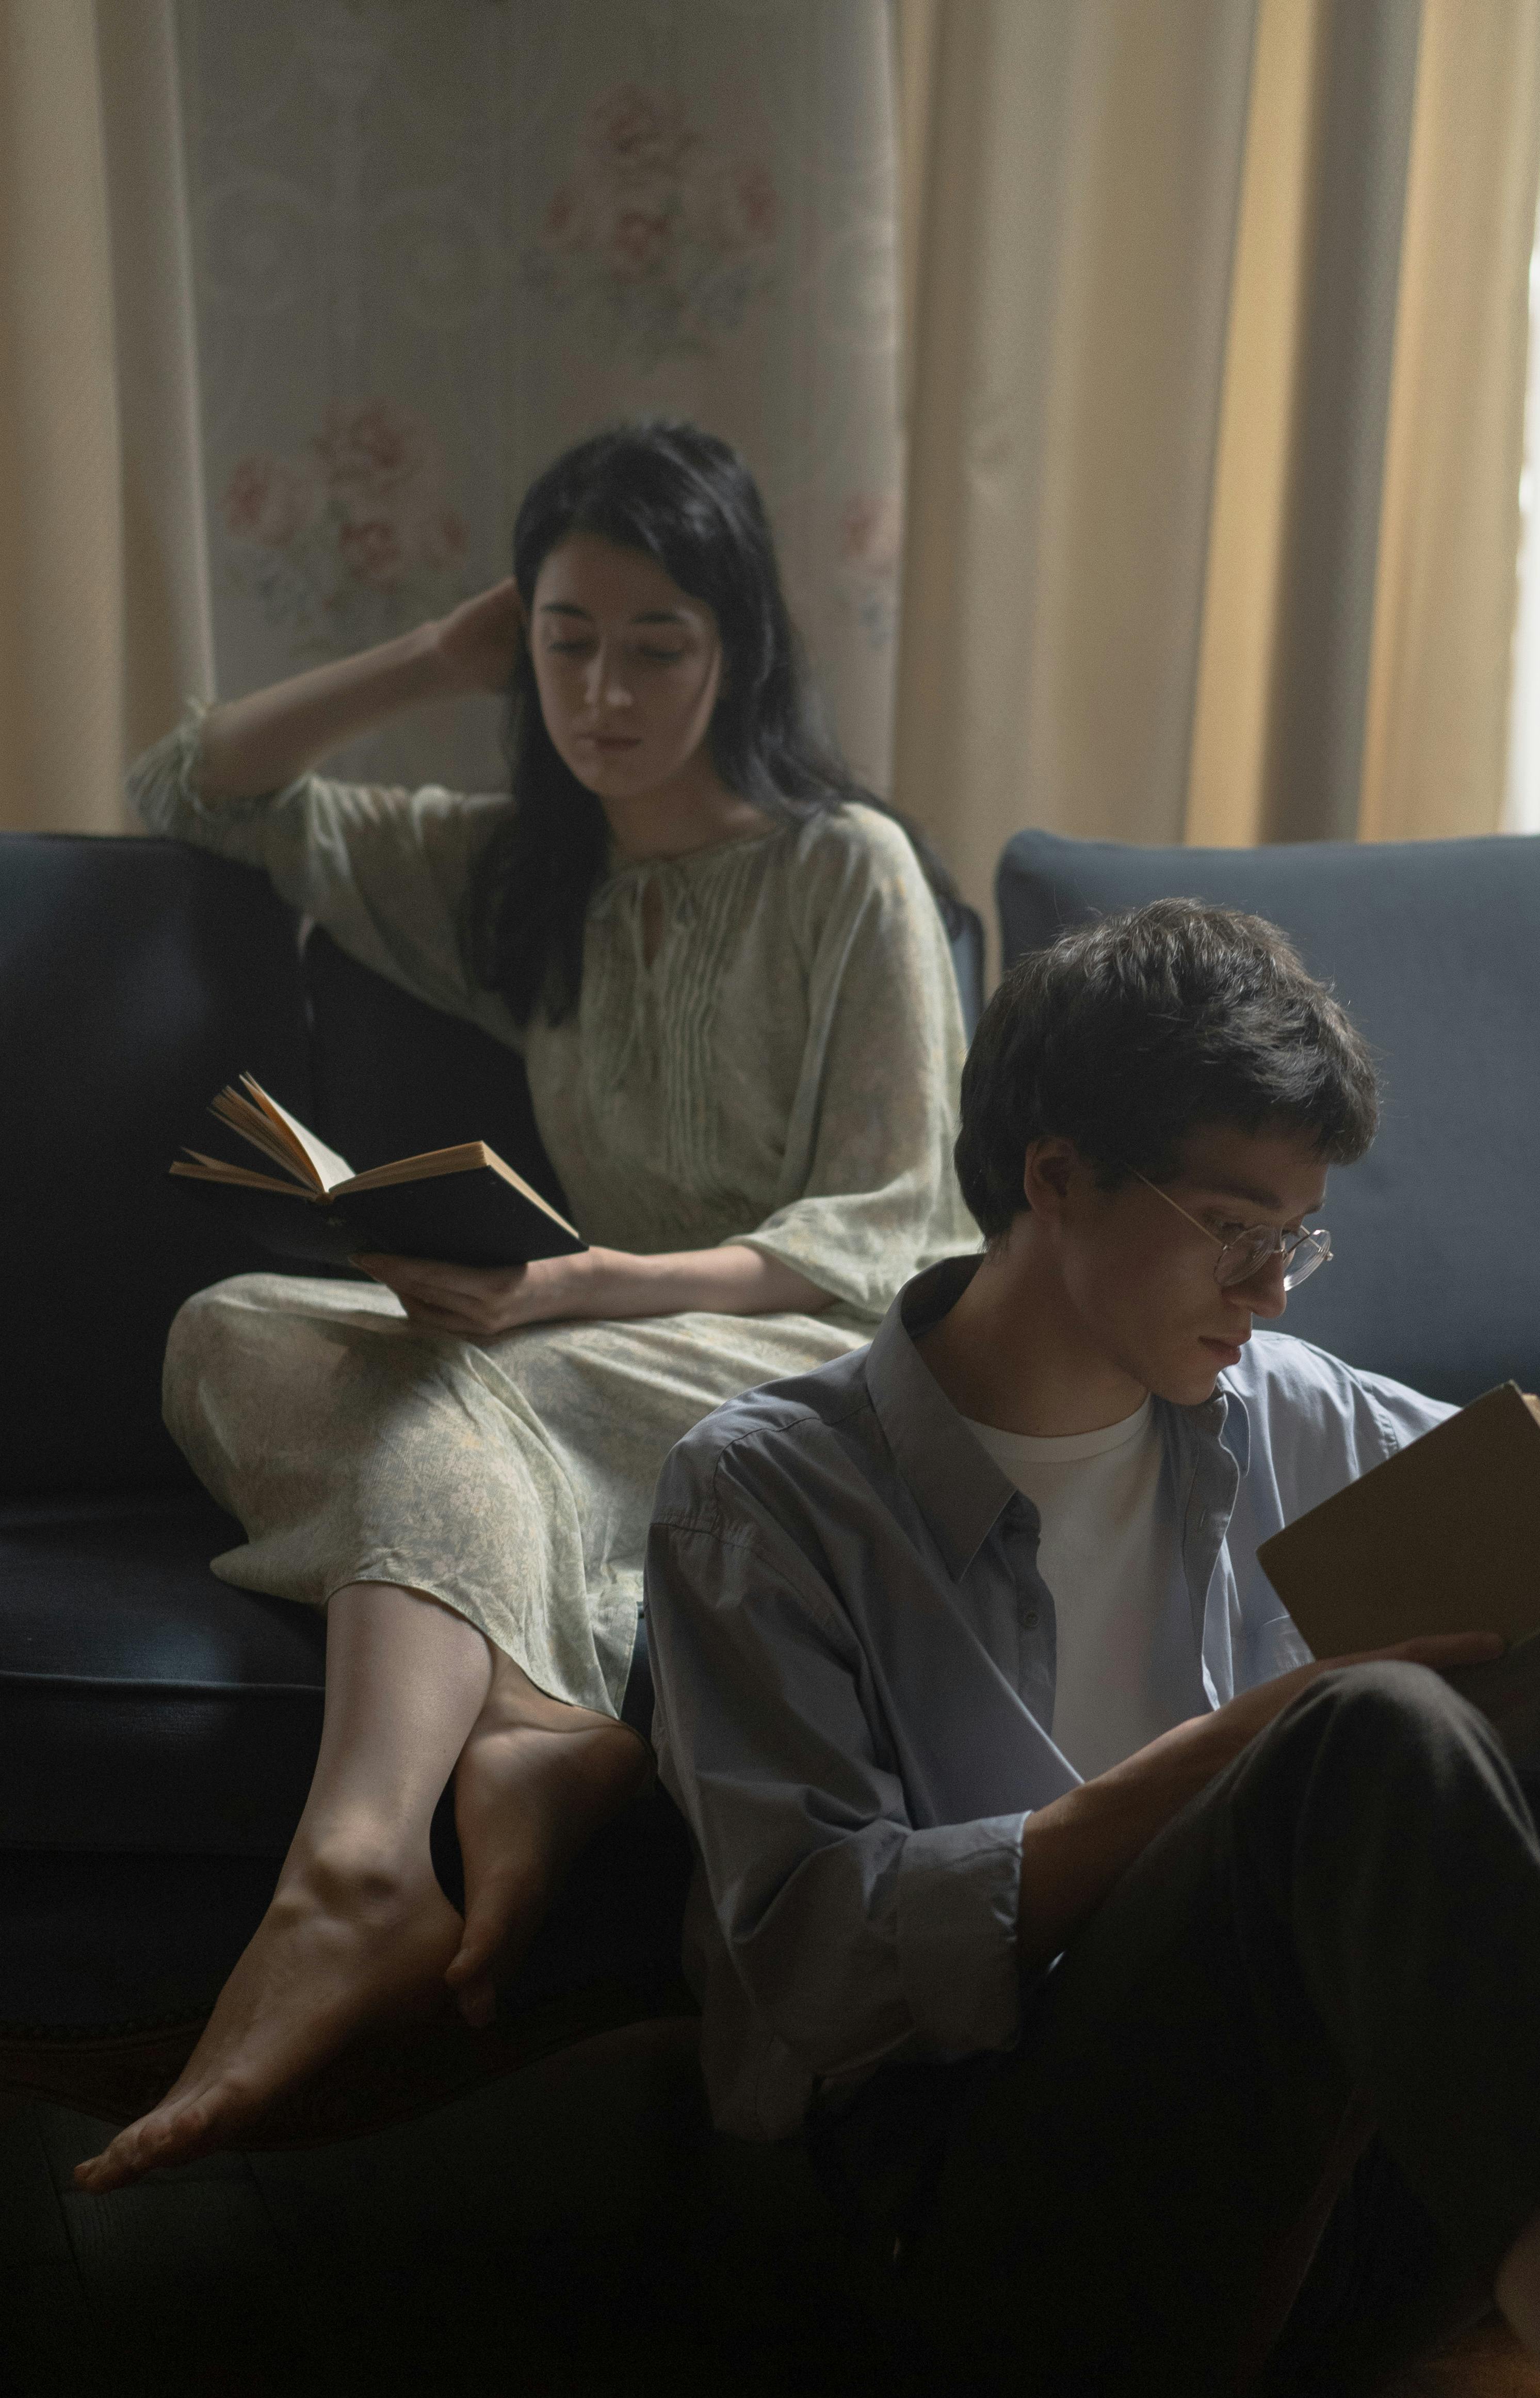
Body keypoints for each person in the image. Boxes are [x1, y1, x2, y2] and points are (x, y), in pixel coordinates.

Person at [647, 900, 1540, 2398]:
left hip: (1321, 2256)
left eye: (1298, 1236)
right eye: (1231, 1230)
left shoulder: (1277, 1407)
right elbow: (810, 1962)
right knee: (1366, 1736)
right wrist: (1249, 1751)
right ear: (1054, 1175)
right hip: (1001, 2277)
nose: (1271, 1288)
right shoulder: (769, 1498)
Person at [74, 419, 975, 2196]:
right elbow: (193, 790)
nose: (607, 690)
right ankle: (542, 1732)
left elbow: (892, 1234)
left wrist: (574, 1284)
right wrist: (434, 652)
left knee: (451, 1390)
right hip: (566, 1358)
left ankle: (353, 1862)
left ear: (739, 650)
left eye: (658, 643)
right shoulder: (518, 879)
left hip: (795, 1357)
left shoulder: (844, 867)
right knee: (231, 1324)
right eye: (569, 640)